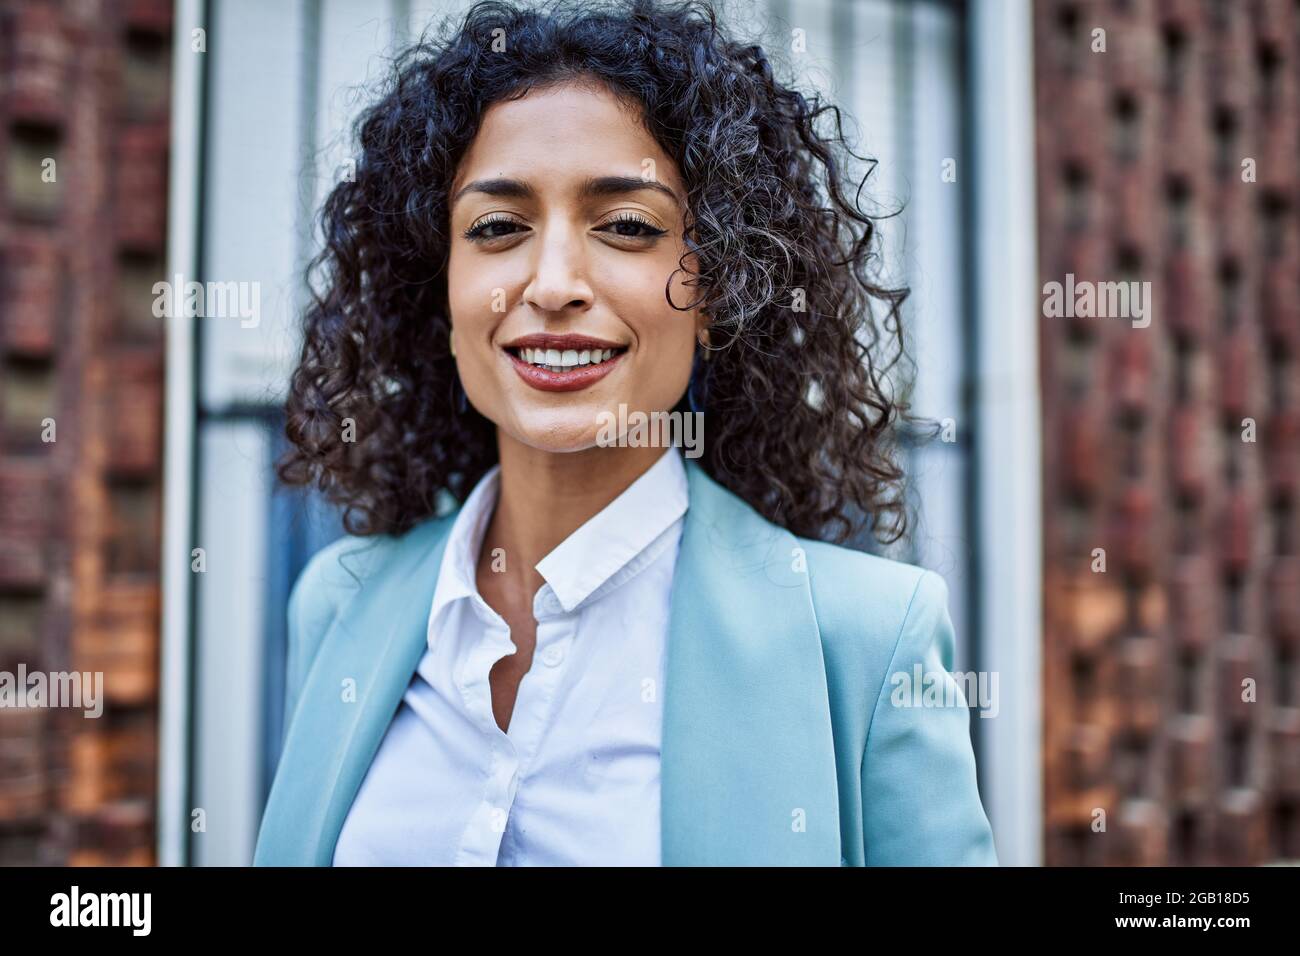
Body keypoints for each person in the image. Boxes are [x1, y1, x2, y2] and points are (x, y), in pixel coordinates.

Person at [253, 0, 997, 866]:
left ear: (719, 286)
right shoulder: (337, 604)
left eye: (628, 227)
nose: (555, 281)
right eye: (497, 227)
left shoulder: (869, 641)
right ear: (441, 287)